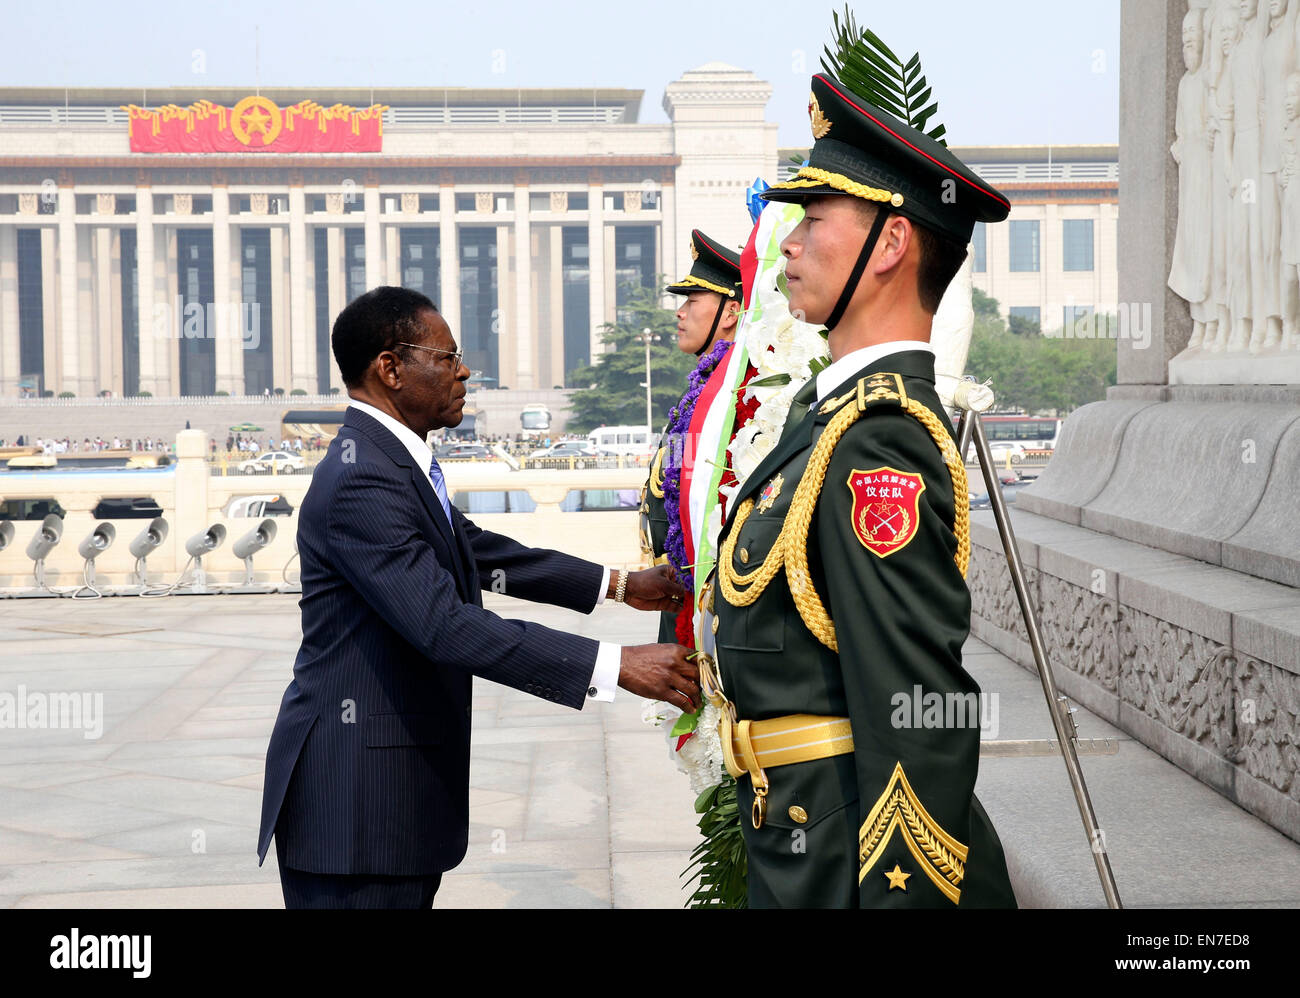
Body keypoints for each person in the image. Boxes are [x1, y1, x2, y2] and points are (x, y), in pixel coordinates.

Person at [258, 286, 700, 909]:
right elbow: (443, 624)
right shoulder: (364, 477)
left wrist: (619, 585)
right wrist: (615, 666)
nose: (463, 371)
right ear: (390, 368)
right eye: (445, 357)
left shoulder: (392, 460)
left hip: (387, 797)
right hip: (356, 805)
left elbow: (477, 551)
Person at [706, 73, 1017, 908]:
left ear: (889, 246)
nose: (791, 245)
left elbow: (919, 707)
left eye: (812, 221)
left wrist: (902, 896)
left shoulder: (880, 440)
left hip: (847, 858)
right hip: (799, 834)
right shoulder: (832, 418)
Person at [640, 230, 743, 642]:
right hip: (680, 575)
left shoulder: (737, 394)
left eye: (692, 301)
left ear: (731, 312)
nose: (680, 313)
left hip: (706, 582)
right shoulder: (704, 387)